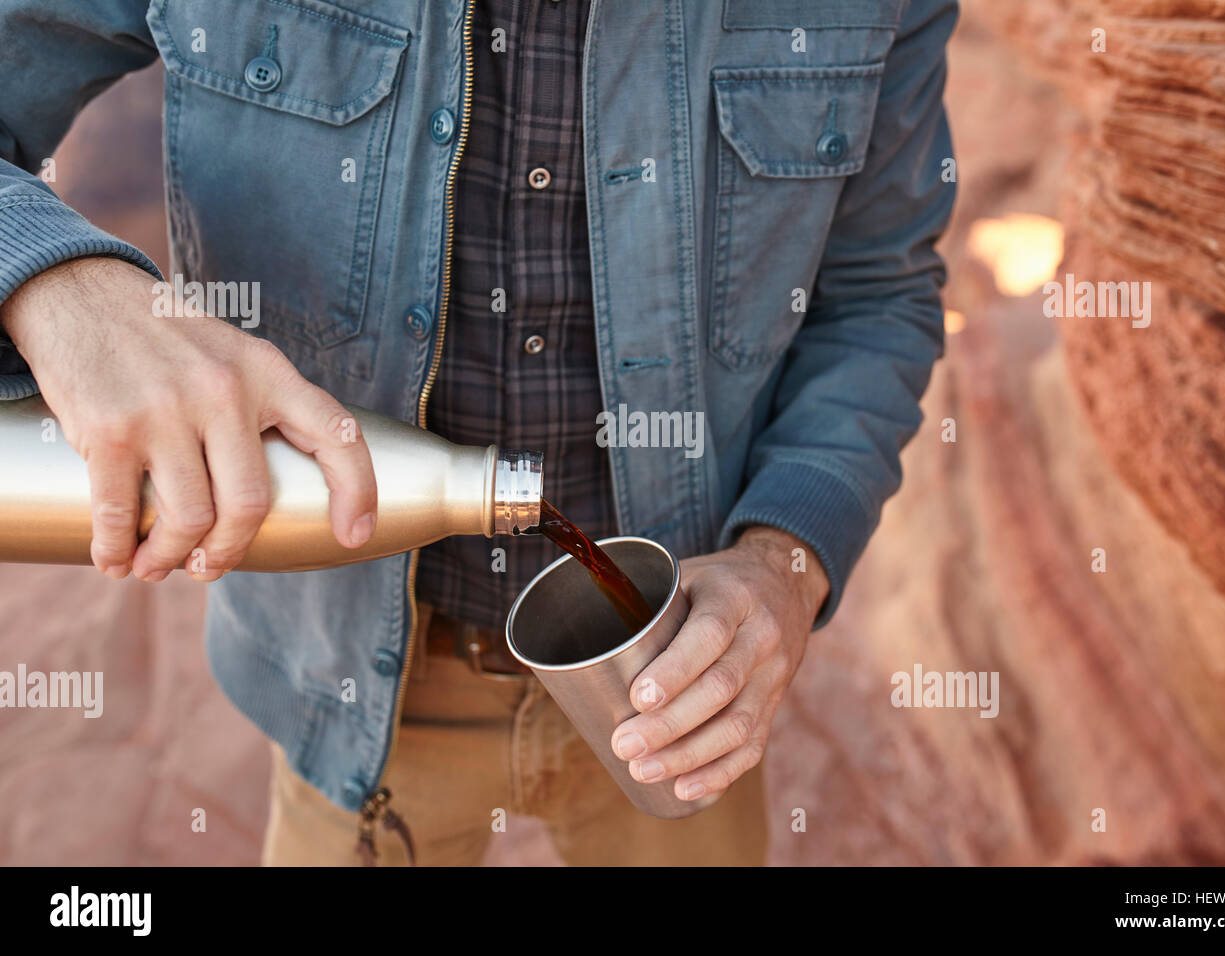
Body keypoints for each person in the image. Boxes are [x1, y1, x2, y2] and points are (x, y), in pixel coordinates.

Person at [0, 0, 957, 865]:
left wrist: (785, 563)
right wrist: (58, 283)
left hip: (678, 681)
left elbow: (879, 294)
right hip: (354, 694)